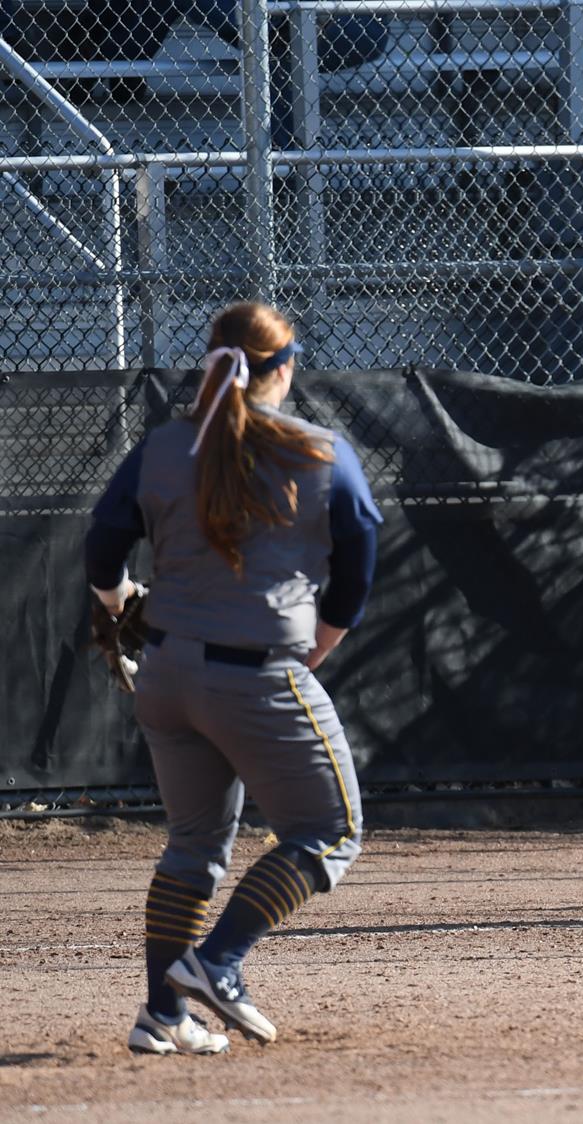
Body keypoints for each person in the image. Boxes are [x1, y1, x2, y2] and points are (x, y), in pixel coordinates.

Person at [86, 301, 381, 1054]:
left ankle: (161, 1016)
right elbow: (357, 564)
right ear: (282, 370)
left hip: (166, 669)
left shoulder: (163, 446)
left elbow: (102, 548)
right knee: (330, 832)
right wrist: (319, 646)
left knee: (192, 846)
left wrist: (123, 608)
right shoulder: (319, 451)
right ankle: (217, 962)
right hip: (256, 673)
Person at [0, 0, 389, 151]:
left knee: (278, 39)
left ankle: (93, 73)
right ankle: (99, 72)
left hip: (352, 23)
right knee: (279, 45)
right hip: (288, 22)